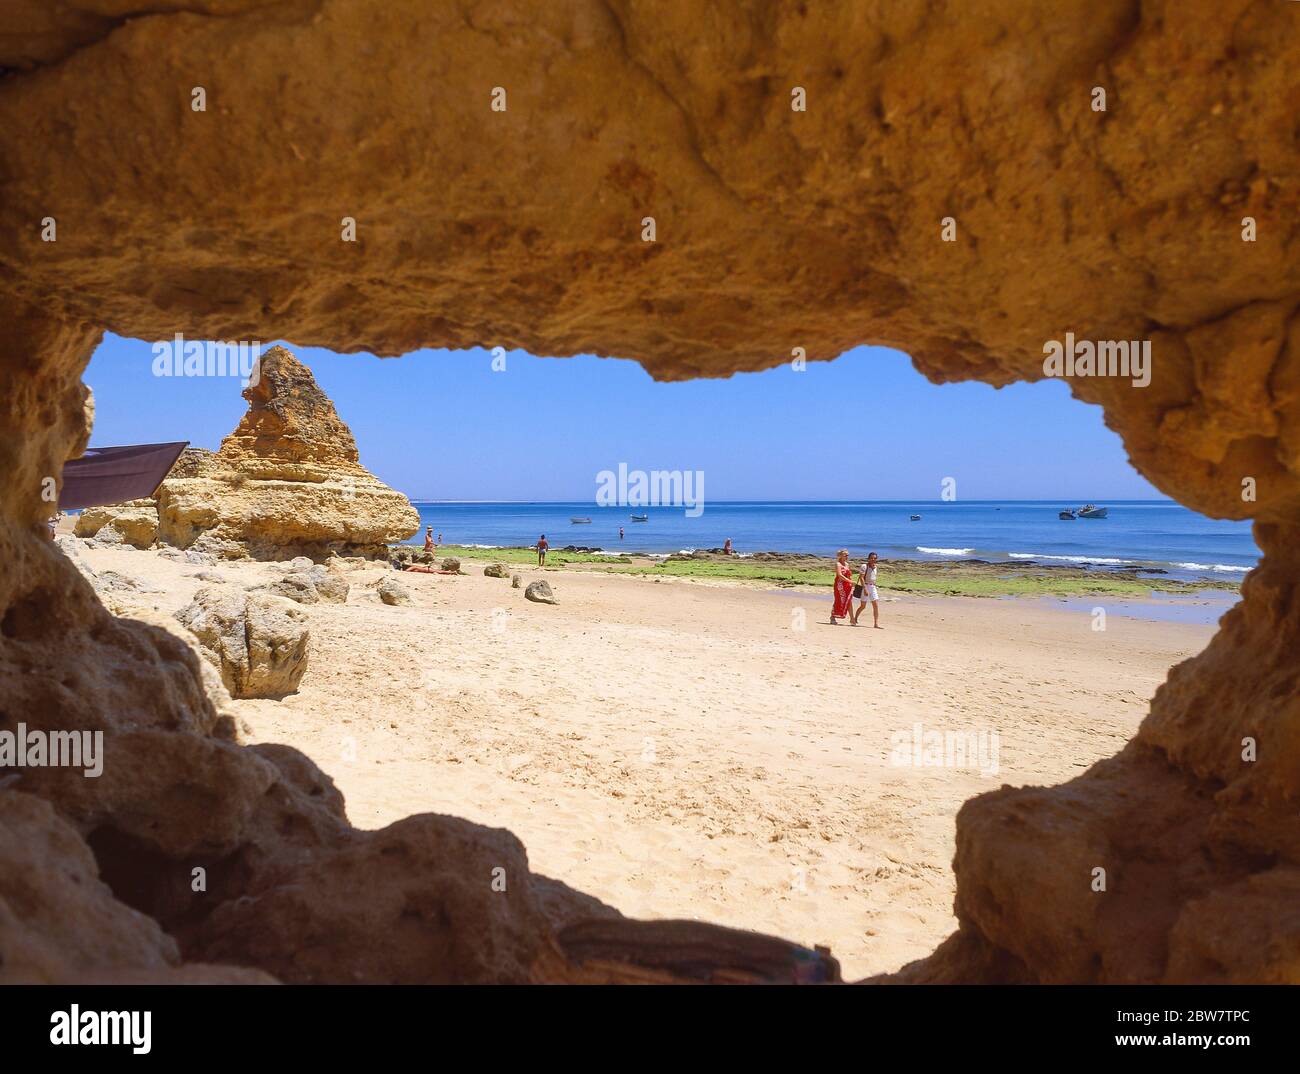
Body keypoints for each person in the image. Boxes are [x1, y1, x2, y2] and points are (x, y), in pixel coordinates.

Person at [852, 552, 881, 628]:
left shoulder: (875, 567)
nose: (873, 559)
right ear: (868, 558)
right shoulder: (864, 566)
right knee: (863, 606)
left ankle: (876, 623)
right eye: (871, 558)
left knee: (876, 605)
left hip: (873, 587)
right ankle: (855, 618)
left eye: (875, 558)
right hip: (865, 586)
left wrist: (875, 585)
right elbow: (861, 577)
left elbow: (873, 577)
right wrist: (865, 589)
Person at [830, 549, 854, 624]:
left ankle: (852, 619)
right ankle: (832, 617)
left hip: (847, 585)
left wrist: (850, 582)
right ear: (840, 556)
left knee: (849, 600)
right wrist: (850, 581)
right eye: (845, 555)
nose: (847, 556)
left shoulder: (847, 564)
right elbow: (840, 575)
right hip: (839, 585)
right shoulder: (838, 564)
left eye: (847, 555)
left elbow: (848, 575)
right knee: (838, 600)